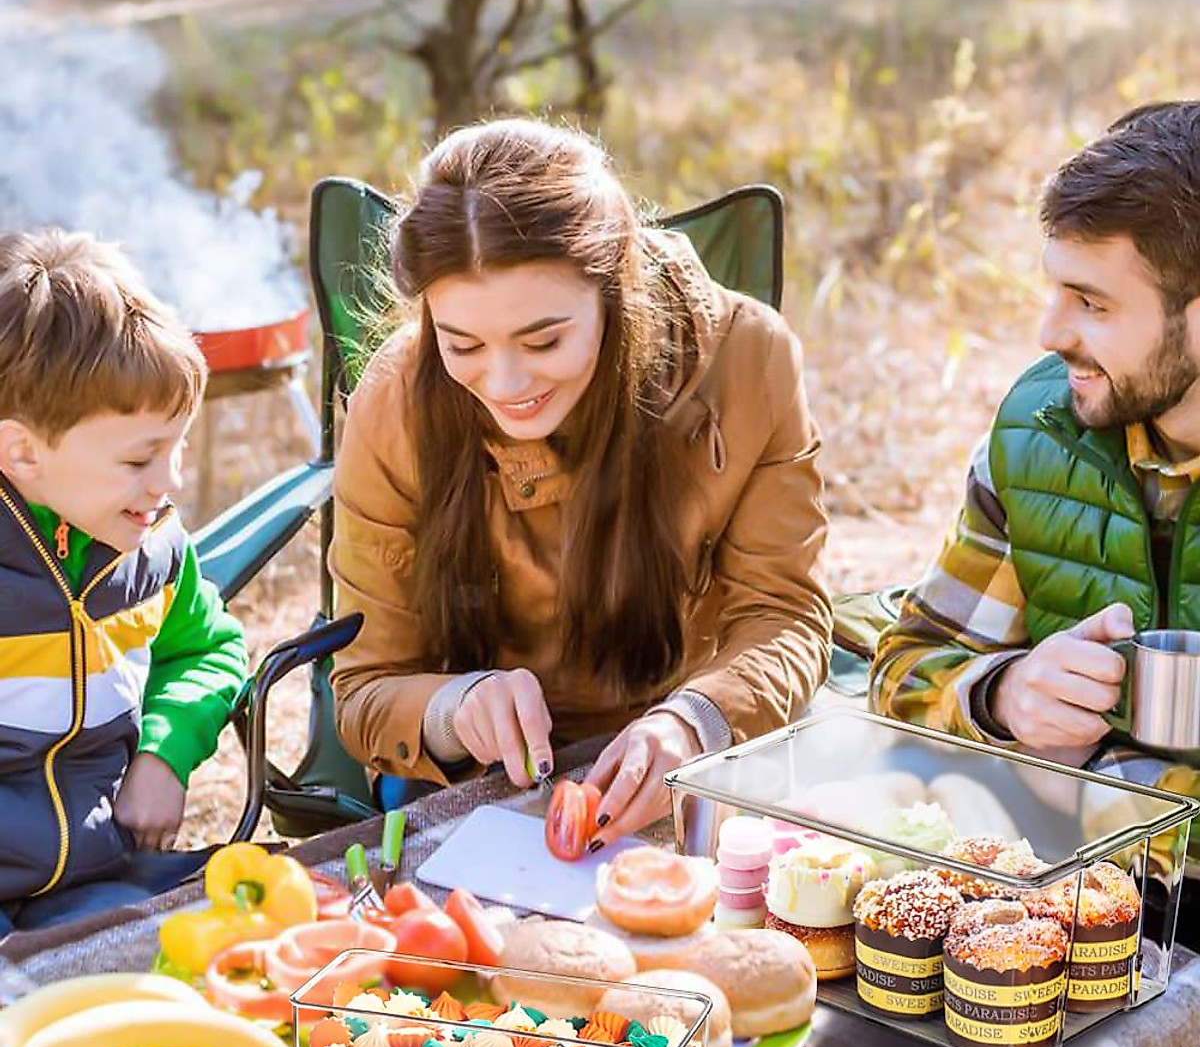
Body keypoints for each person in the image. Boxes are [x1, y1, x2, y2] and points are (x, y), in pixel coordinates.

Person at [329, 118, 832, 847]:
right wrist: (453, 706)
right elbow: (366, 686)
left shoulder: (749, 360)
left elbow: (785, 614)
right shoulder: (399, 397)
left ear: (614, 290)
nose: (504, 383)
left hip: (699, 752)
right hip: (477, 781)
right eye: (461, 344)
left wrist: (695, 722)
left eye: (544, 340)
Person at [870, 101, 1200, 942]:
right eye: (1054, 289)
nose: (1050, 332)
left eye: (1091, 302)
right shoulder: (1041, 435)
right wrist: (1004, 695)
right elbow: (905, 669)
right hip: (1064, 888)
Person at [0, 229, 247, 935]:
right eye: (141, 458)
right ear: (22, 452)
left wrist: (163, 754)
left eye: (178, 448)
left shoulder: (154, 549)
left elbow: (208, 649)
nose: (169, 485)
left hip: (100, 874)